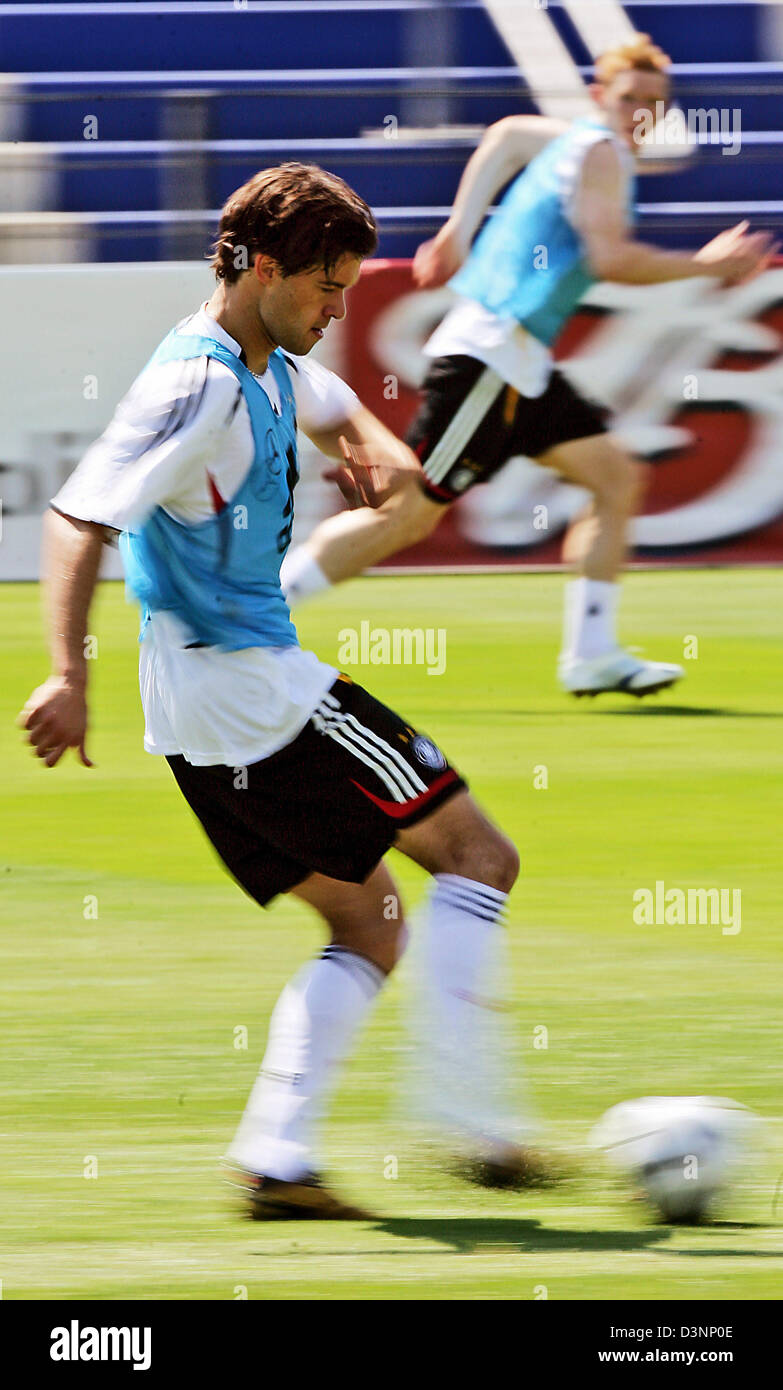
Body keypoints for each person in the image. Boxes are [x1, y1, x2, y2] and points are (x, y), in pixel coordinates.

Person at [19, 163, 540, 1220]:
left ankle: (277, 1159)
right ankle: (472, 1122)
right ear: (262, 268)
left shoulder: (264, 354)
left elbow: (331, 402)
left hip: (203, 709)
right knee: (480, 855)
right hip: (253, 686)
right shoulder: (196, 384)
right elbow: (78, 518)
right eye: (327, 289)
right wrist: (69, 672)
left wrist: (372, 450)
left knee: (370, 921)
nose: (340, 309)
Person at [280, 35, 776, 698]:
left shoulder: (576, 140)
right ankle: (254, 615)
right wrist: (704, 268)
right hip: (490, 355)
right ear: (600, 97)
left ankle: (591, 655)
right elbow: (609, 260)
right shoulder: (599, 154)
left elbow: (509, 133)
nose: (639, 113)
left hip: (520, 366)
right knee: (409, 514)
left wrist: (460, 226)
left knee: (614, 478)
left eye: (653, 104)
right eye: (628, 99)